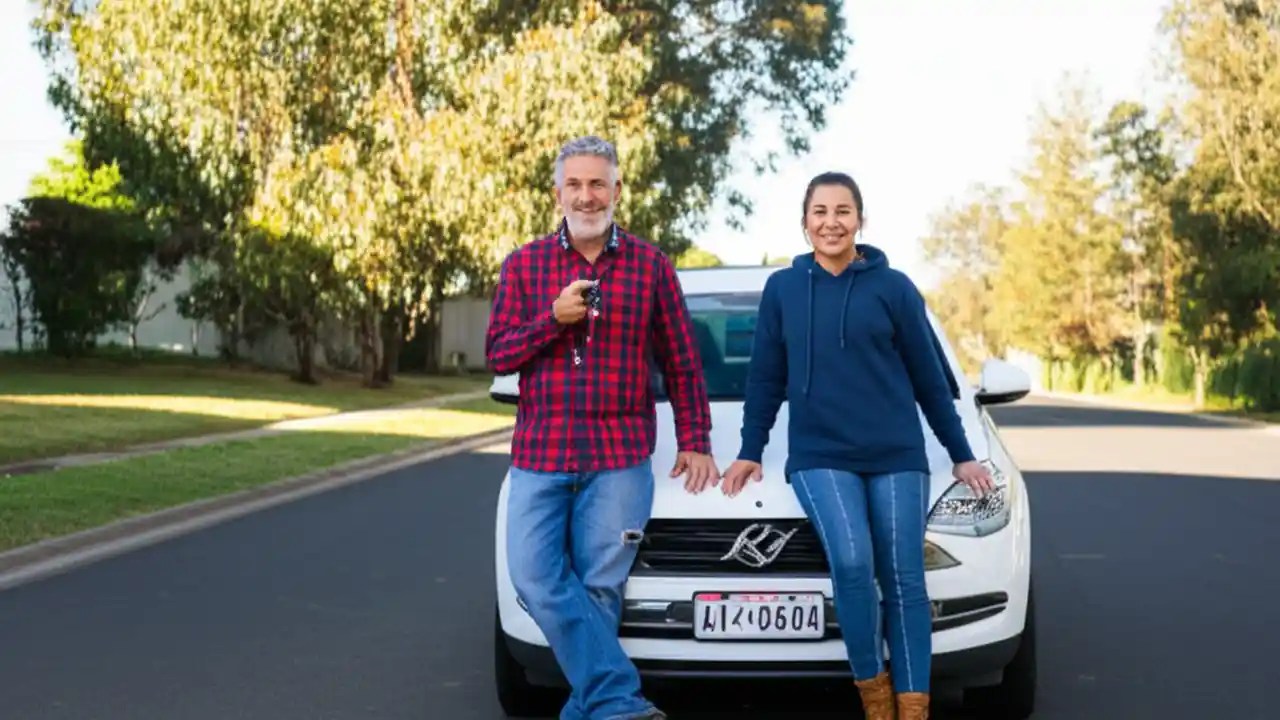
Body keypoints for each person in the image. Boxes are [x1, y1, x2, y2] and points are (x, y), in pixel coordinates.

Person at [719, 171, 994, 720]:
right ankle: (873, 691)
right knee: (850, 561)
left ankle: (912, 707)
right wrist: (751, 448)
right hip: (820, 454)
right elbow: (766, 378)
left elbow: (929, 379)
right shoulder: (784, 290)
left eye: (843, 211)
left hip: (895, 451)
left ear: (860, 221)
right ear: (804, 223)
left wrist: (961, 452)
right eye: (820, 212)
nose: (831, 222)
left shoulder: (894, 289)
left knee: (902, 575)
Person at [485, 135, 720, 720]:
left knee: (599, 590)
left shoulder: (650, 267)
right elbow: (498, 354)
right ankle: (618, 699)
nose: (587, 196)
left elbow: (683, 362)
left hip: (619, 458)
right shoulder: (524, 265)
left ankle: (595, 708)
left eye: (598, 184)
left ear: (617, 190)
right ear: (557, 193)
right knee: (533, 576)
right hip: (540, 454)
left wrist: (694, 440)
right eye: (575, 184)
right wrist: (553, 319)